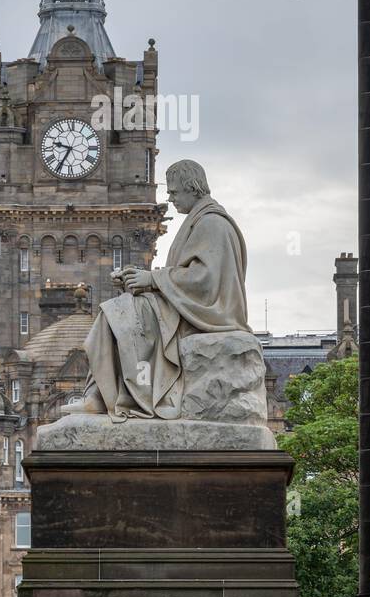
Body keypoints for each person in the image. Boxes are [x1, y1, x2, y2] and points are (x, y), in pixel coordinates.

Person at [78, 159, 252, 421]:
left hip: (208, 314)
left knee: (119, 313)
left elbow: (205, 280)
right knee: (118, 311)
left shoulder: (212, 223)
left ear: (192, 188)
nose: (170, 199)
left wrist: (152, 280)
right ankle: (101, 394)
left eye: (173, 192)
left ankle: (110, 396)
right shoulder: (199, 221)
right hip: (190, 307)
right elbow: (188, 276)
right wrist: (142, 279)